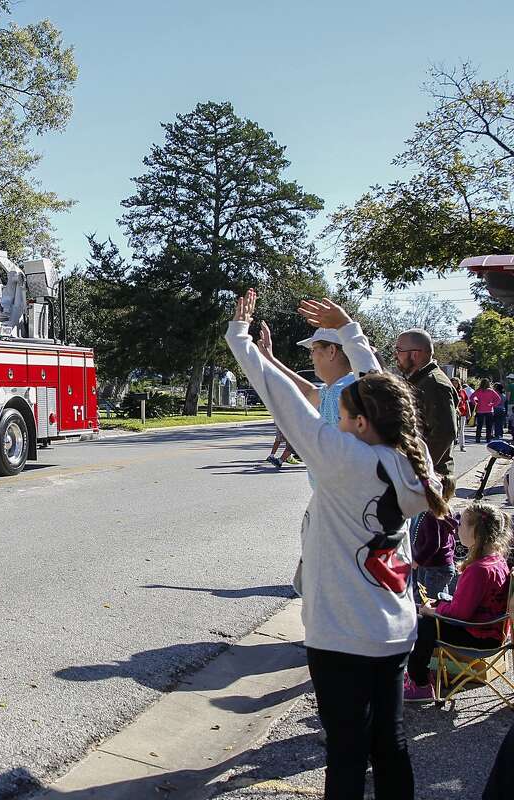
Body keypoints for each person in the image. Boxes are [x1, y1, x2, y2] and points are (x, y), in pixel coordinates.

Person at [227, 290, 448, 800]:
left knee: (346, 751)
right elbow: (387, 396)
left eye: (344, 417)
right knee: (389, 744)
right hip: (394, 629)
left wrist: (242, 338)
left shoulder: (343, 462)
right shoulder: (412, 465)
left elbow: (277, 394)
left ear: (362, 424)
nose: (338, 424)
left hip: (341, 633)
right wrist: (351, 333)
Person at [404, 501, 511, 701]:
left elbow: (460, 614)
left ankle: (419, 684)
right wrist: (440, 605)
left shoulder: (479, 569)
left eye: (462, 524)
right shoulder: (496, 560)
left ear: (476, 532)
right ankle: (422, 675)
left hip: (480, 636)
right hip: (492, 630)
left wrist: (433, 611)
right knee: (428, 614)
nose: (457, 527)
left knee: (421, 624)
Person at [393, 329, 457, 482]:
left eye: (399, 350)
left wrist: (420, 470)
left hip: (432, 478)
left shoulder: (434, 384)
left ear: (415, 354)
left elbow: (445, 432)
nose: (396, 355)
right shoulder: (420, 380)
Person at [410, 508, 458, 602]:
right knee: (427, 600)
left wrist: (417, 561)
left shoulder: (431, 515)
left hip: (436, 568)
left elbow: (433, 544)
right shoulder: (436, 512)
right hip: (432, 565)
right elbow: (450, 540)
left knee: (434, 605)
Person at [473, 378, 501, 443]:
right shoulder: (491, 391)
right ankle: (488, 439)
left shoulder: (478, 391)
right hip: (489, 410)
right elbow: (498, 399)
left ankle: (478, 438)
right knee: (489, 425)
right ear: (489, 384)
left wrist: (476, 403)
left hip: (480, 410)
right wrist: (493, 404)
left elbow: (472, 397)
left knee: (479, 425)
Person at [451, 377, 469, 452]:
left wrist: (469, 412)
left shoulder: (462, 392)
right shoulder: (450, 391)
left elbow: (466, 402)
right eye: (453, 383)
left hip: (462, 413)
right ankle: (451, 446)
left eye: (456, 383)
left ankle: (462, 445)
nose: (454, 385)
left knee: (461, 430)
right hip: (453, 413)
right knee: (453, 430)